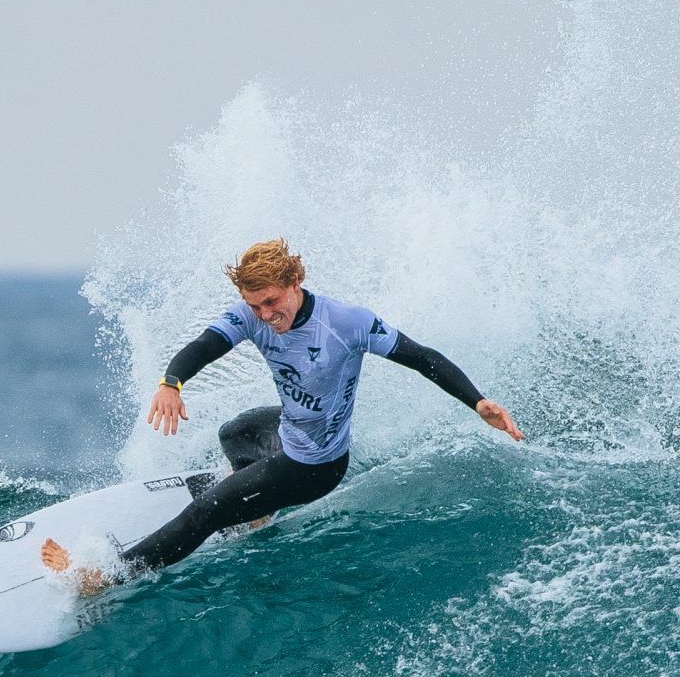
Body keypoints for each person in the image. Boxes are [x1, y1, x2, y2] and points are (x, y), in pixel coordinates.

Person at [42, 238, 523, 594]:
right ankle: (255, 513)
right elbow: (205, 346)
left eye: (273, 302)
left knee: (207, 510)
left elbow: (420, 356)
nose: (266, 315)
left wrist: (476, 401)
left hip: (314, 467)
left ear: (296, 282)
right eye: (256, 306)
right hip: (288, 429)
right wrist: (172, 381)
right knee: (234, 433)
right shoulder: (252, 312)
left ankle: (105, 578)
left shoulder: (346, 323)